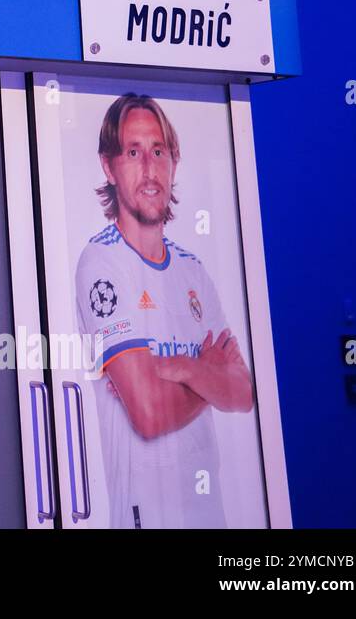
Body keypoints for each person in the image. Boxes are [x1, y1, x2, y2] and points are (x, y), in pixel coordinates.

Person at [75, 93, 254, 528]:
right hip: (146, 517)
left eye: (159, 151)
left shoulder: (193, 270)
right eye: (133, 153)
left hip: (208, 515)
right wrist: (208, 373)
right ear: (109, 166)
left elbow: (245, 393)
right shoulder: (102, 264)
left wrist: (183, 370)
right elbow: (150, 415)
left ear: (174, 161)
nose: (150, 170)